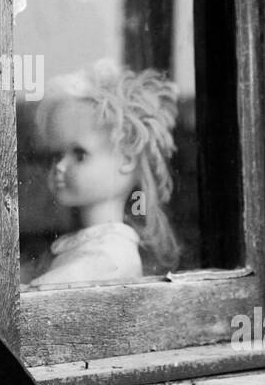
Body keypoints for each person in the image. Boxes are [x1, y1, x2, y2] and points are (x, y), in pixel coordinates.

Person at [26, 59, 180, 287]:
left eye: (80, 154)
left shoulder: (108, 255)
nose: (59, 166)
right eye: (56, 156)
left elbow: (41, 296)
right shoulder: (89, 246)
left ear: (126, 159)